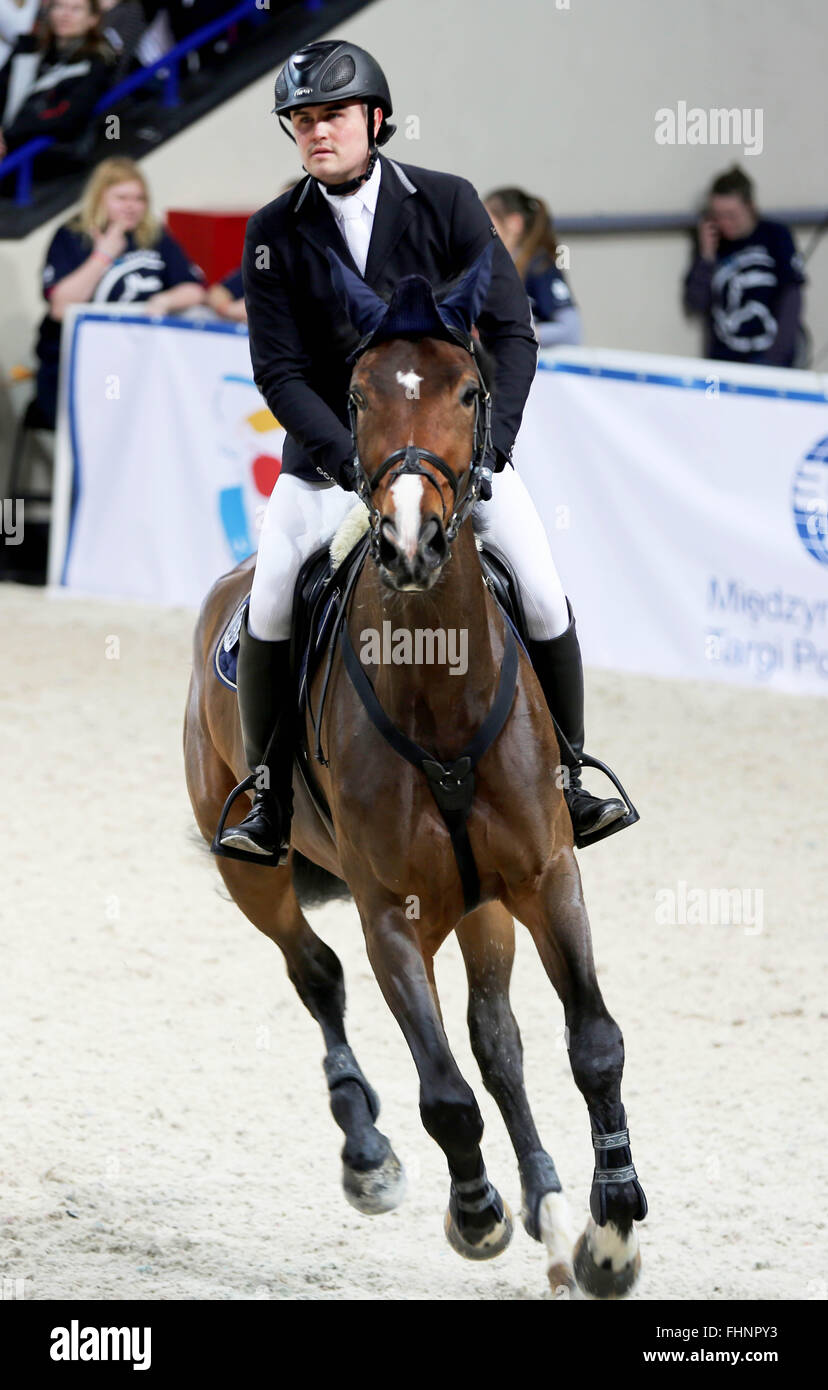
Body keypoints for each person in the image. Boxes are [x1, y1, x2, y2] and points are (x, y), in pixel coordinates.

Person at [218, 39, 629, 864]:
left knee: (541, 589)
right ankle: (269, 796)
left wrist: (491, 447)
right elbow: (280, 370)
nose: (316, 132)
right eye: (301, 120)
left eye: (332, 115)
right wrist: (354, 468)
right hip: (334, 465)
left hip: (452, 463)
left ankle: (572, 777)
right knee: (269, 600)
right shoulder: (274, 232)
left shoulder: (446, 204)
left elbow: (512, 331)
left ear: (374, 118)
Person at [33, 154, 206, 427]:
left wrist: (165, 299)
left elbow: (194, 290)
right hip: (78, 366)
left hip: (142, 363)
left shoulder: (153, 235)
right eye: (122, 198)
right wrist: (103, 256)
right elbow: (60, 306)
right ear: (100, 197)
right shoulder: (71, 236)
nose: (132, 206)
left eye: (139, 199)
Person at [683, 164, 806, 367]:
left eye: (731, 215)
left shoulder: (776, 236)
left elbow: (792, 300)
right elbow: (696, 303)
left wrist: (774, 359)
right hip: (725, 361)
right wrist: (706, 256)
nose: (725, 223)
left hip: (771, 357)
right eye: (717, 215)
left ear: (751, 207)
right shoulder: (713, 244)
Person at [0, 0, 114, 170]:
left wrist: (7, 137)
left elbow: (66, 117)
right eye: (59, 6)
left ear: (93, 19)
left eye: (76, 9)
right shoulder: (27, 47)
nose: (65, 14)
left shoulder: (97, 63)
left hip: (45, 159)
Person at [484, 186, 582, 347]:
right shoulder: (494, 267)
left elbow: (571, 331)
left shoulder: (539, 267)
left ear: (514, 223)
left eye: (487, 220)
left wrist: (515, 334)